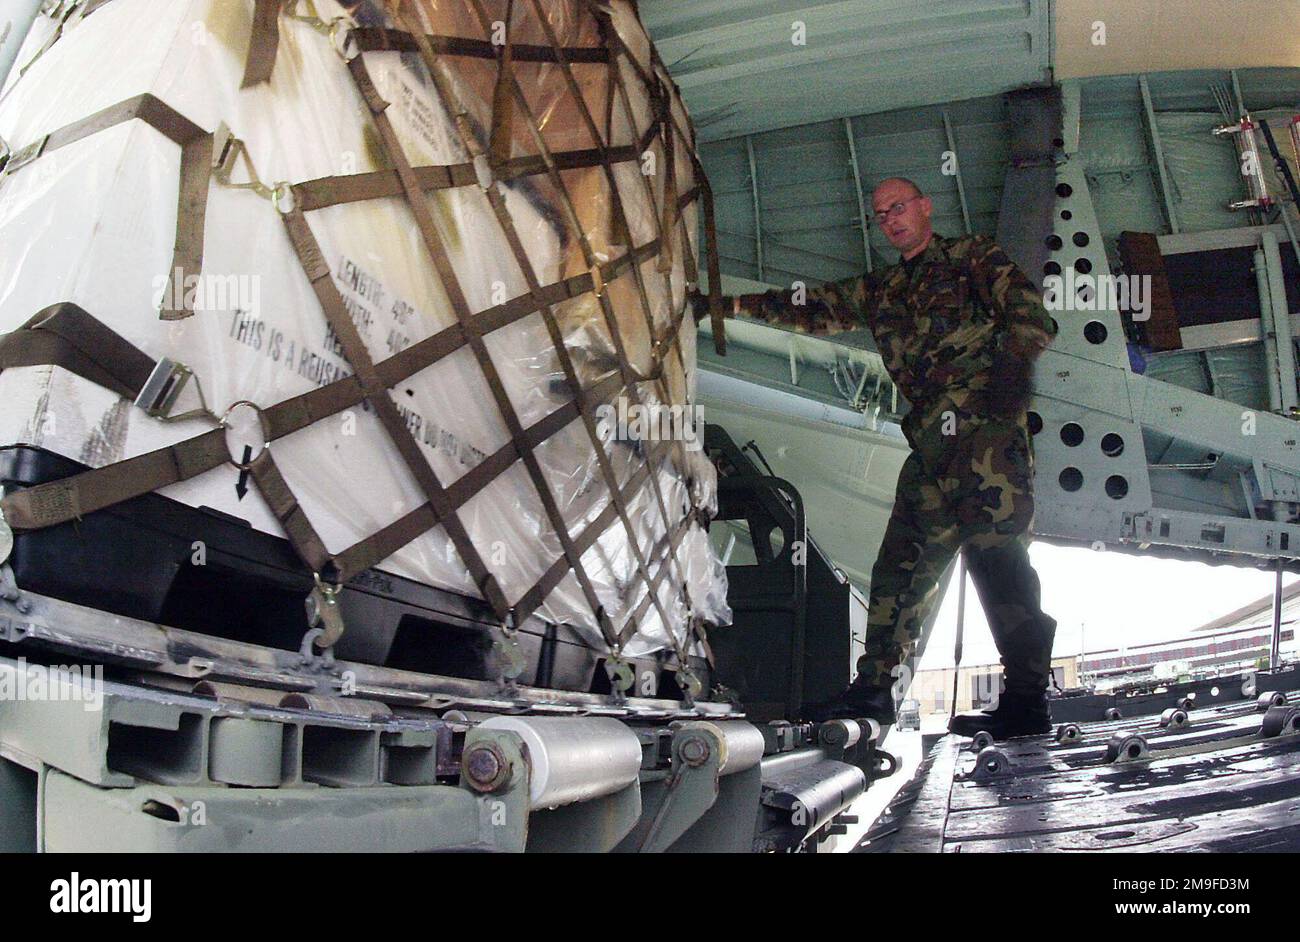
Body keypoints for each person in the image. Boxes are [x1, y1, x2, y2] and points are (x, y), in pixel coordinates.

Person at [696, 177, 1060, 739]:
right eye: (881, 213)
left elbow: (1032, 318)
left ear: (924, 208)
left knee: (997, 558)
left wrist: (1007, 389)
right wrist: (722, 306)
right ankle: (874, 692)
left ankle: (1027, 699)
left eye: (899, 207)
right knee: (900, 569)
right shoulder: (882, 289)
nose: (890, 219)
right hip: (932, 448)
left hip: (984, 431)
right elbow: (809, 307)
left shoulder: (970, 257)